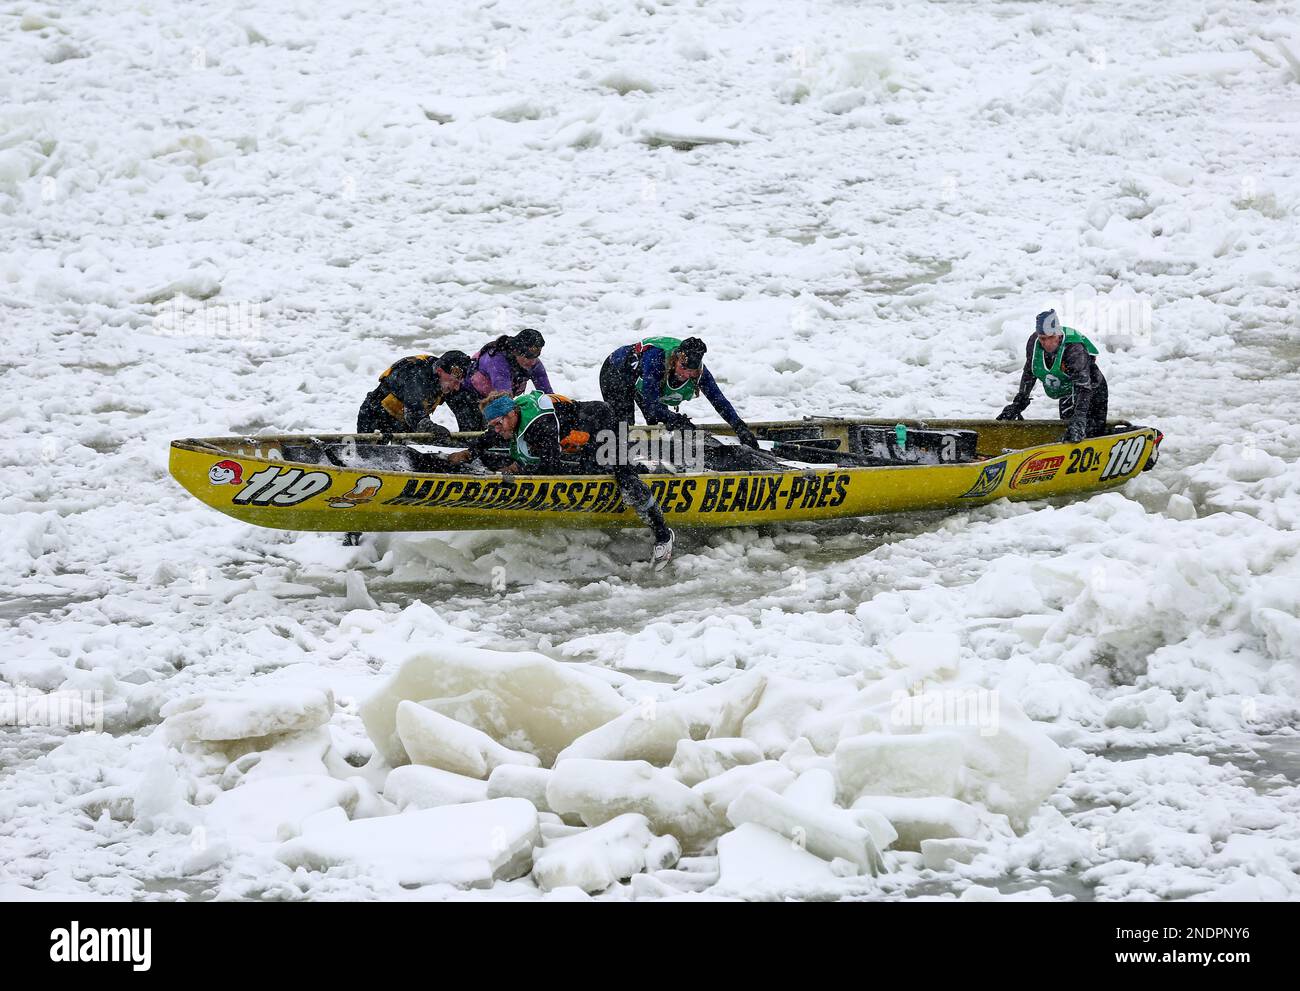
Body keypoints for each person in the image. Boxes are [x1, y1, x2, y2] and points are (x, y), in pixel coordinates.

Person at [447, 392, 676, 571]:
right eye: (494, 425)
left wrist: (518, 468)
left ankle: (663, 534)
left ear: (511, 415)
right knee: (589, 469)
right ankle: (633, 465)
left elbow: (550, 468)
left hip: (599, 421)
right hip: (577, 428)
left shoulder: (539, 425)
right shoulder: (511, 414)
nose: (497, 430)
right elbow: (491, 436)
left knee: (622, 479)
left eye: (499, 424)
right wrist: (469, 453)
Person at [598, 336, 760, 448]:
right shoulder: (657, 360)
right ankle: (616, 458)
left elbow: (718, 400)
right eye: (683, 368)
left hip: (642, 379)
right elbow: (652, 404)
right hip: (616, 372)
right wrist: (678, 420)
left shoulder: (699, 371)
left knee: (656, 422)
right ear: (675, 360)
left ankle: (655, 455)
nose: (685, 375)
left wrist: (739, 427)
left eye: (691, 372)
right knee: (624, 425)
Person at [996, 310, 1109, 442]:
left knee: (1088, 432)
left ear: (1058, 334)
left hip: (1092, 390)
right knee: (1069, 432)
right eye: (1043, 338)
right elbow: (1030, 372)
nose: (1047, 343)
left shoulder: (1074, 349)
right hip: (1067, 392)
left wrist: (1079, 418)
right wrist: (1019, 402)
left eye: (1051, 338)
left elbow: (1083, 387)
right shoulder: (1034, 343)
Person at [357, 351, 477, 438]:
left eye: (459, 382)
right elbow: (413, 416)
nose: (456, 387)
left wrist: (470, 439)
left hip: (404, 425)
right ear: (440, 371)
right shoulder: (417, 374)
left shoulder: (448, 379)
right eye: (454, 382)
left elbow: (465, 411)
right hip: (376, 416)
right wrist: (434, 429)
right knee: (368, 457)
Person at [455, 328, 554, 430]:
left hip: (492, 398)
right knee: (474, 433)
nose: (532, 362)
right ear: (516, 352)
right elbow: (505, 403)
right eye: (527, 357)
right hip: (466, 395)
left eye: (535, 357)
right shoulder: (497, 361)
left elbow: (548, 396)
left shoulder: (534, 364)